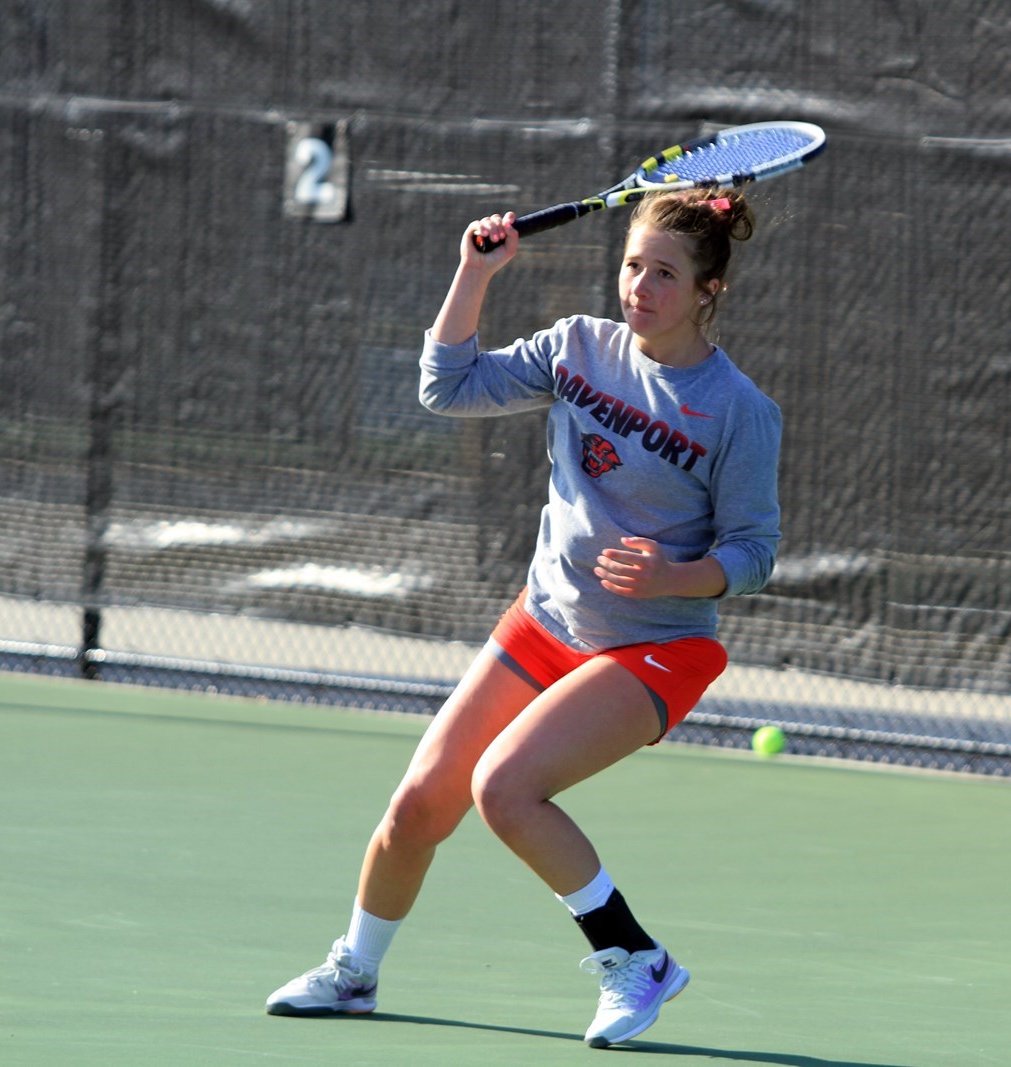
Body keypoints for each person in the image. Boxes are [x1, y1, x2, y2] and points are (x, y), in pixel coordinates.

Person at [265, 186, 782, 1050]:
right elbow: (447, 386)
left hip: (657, 644)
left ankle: (636, 961)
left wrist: (676, 574)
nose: (640, 288)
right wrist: (474, 272)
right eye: (631, 266)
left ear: (707, 291)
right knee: (417, 807)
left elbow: (755, 553)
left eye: (664, 273)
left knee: (503, 786)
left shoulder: (739, 410)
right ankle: (353, 972)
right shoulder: (577, 347)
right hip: (547, 619)